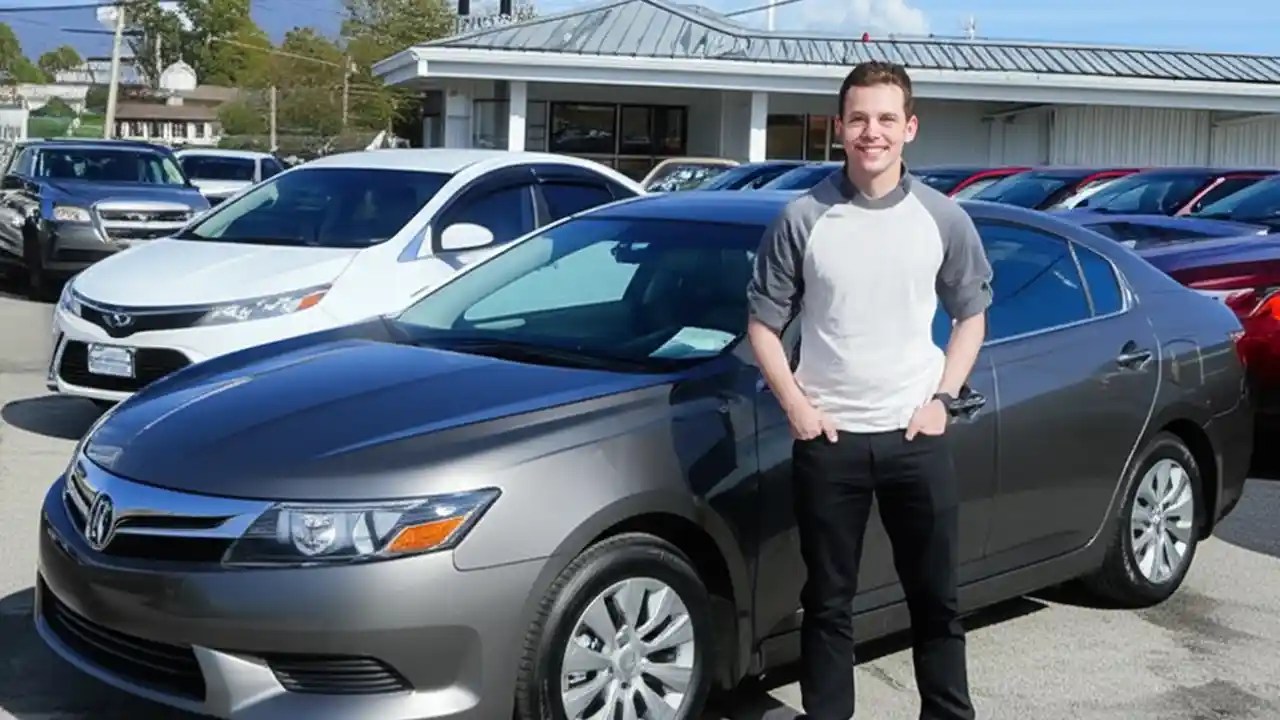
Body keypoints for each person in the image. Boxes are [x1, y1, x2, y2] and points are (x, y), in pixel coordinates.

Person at [745, 60, 993, 720]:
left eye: (886, 119)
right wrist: (796, 406)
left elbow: (972, 315)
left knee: (936, 600)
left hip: (916, 440)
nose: (871, 132)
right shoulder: (803, 218)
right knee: (828, 602)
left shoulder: (941, 218)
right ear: (839, 128)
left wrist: (942, 400)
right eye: (858, 119)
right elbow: (762, 326)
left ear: (909, 127)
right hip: (831, 444)